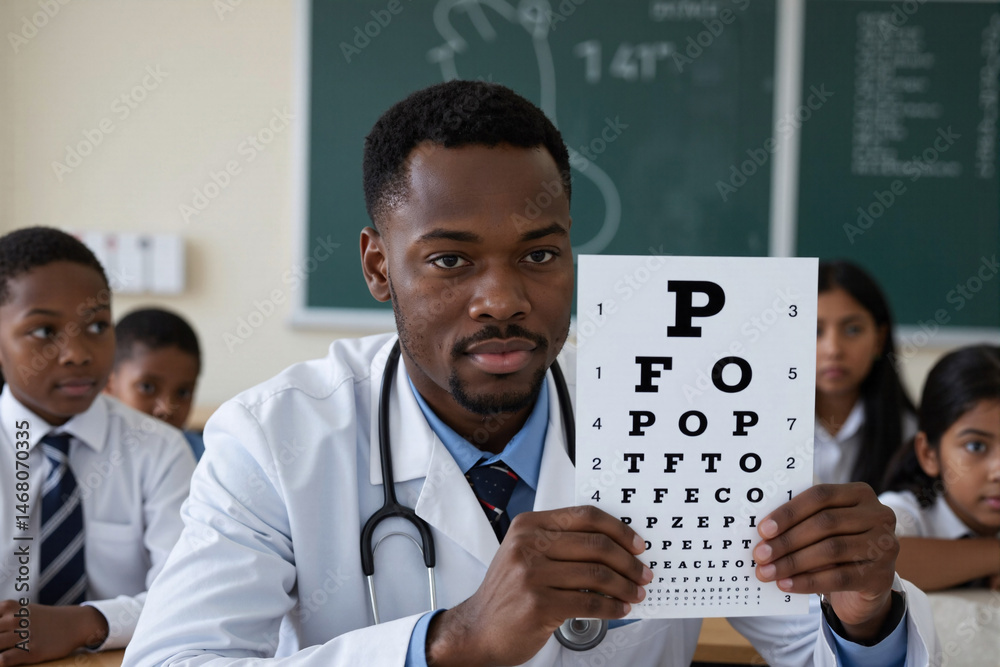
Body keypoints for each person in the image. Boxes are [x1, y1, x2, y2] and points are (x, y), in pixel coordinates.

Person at [123, 81, 938, 666]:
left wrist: (865, 614)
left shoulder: (683, 404)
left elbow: (811, 645)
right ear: (378, 266)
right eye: (449, 259)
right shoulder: (273, 439)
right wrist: (446, 643)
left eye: (540, 254)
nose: (502, 300)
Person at [0, 227, 196, 664]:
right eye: (44, 330)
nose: (77, 353)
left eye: (95, 325)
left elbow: (189, 595)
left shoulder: (159, 451)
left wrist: (85, 623)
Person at [880, 345, 1000, 591]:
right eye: (976, 446)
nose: (998, 472)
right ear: (928, 454)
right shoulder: (903, 514)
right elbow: (872, 561)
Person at [814, 260, 917, 489]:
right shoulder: (758, 429)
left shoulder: (912, 435)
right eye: (816, 331)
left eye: (852, 329)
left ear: (879, 340)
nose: (833, 349)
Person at [106, 307, 206, 460]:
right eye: (147, 387)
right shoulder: (85, 456)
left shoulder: (205, 461)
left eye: (183, 392)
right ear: (108, 384)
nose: (166, 408)